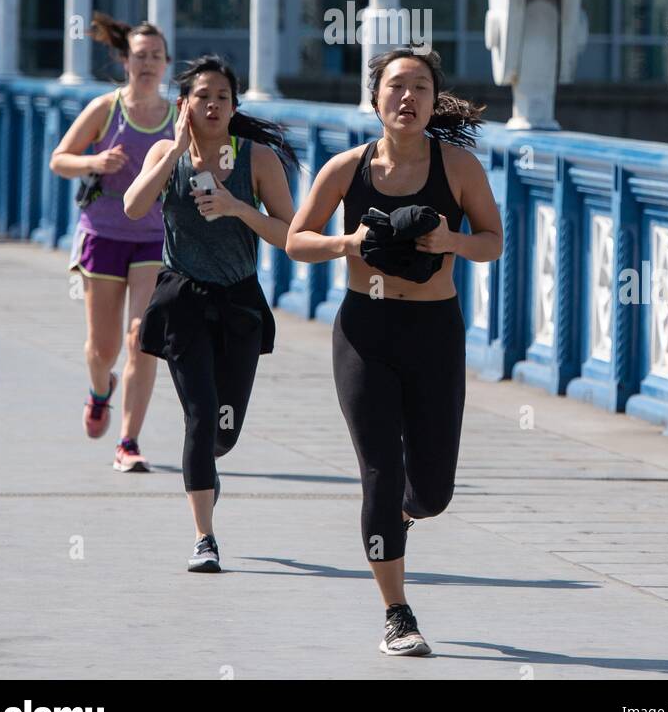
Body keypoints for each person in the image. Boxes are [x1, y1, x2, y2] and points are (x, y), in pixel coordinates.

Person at [286, 45, 503, 655]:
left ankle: (407, 513)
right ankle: (398, 613)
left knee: (431, 492)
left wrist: (449, 240)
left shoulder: (457, 168)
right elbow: (297, 242)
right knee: (380, 472)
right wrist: (347, 244)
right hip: (365, 333)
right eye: (396, 87)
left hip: (435, 332)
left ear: (435, 103)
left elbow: (493, 242)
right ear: (375, 98)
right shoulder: (345, 168)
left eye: (421, 89)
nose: (408, 98)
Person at [124, 55, 296, 574]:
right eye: (202, 95)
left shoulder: (258, 159)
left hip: (239, 301)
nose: (213, 104)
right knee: (200, 417)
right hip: (183, 300)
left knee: (225, 430)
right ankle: (205, 537)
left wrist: (238, 208)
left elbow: (291, 234)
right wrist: (175, 150)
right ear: (184, 105)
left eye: (222, 96)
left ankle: (209, 467)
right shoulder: (165, 152)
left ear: (235, 105)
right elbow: (134, 206)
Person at [50, 14, 176, 472]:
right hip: (104, 233)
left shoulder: (178, 116)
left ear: (166, 64)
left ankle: (128, 441)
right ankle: (100, 388)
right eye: (139, 56)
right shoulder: (107, 109)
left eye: (155, 57)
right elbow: (58, 159)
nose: (147, 64)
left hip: (154, 237)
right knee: (103, 349)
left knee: (142, 338)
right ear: (125, 61)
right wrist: (96, 160)